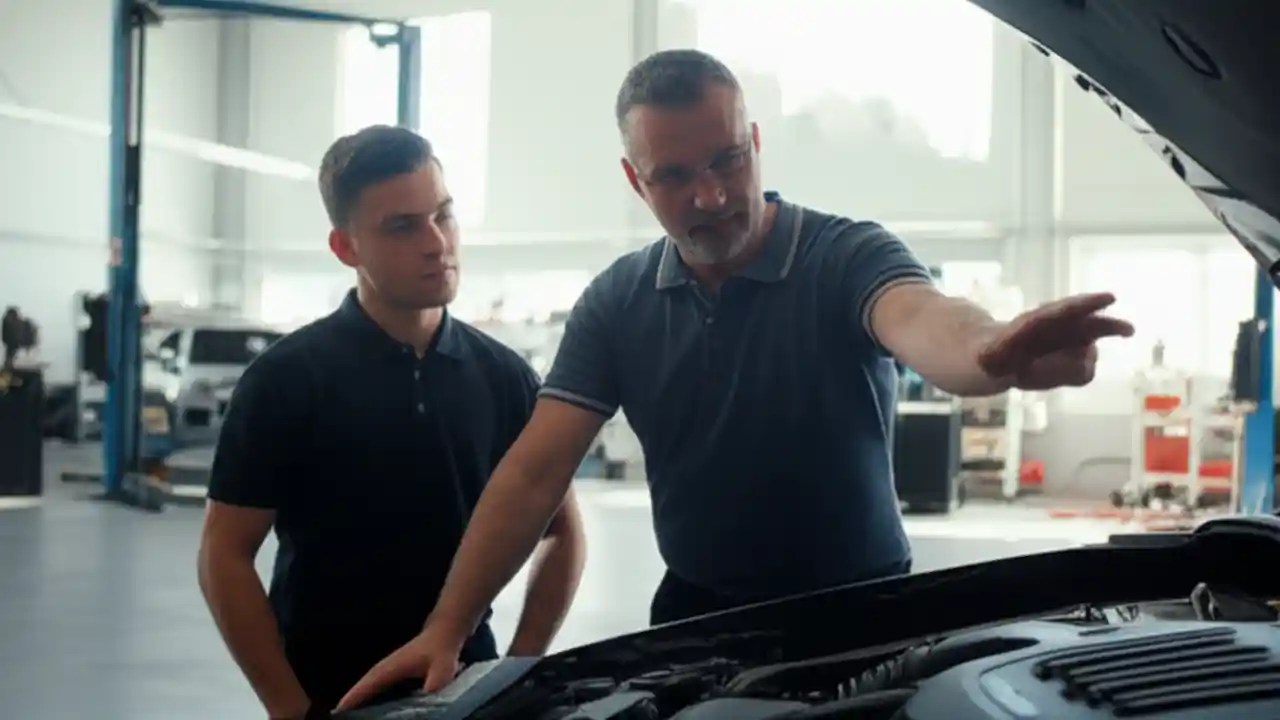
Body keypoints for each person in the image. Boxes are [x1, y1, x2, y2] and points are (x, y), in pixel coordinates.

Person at [333, 50, 1135, 711]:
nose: (710, 195)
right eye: (674, 176)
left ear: (754, 141)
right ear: (633, 178)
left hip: (867, 613)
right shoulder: (616, 302)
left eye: (727, 160)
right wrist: (450, 625)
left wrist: (997, 352)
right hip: (698, 616)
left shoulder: (844, 256)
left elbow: (931, 323)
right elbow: (534, 472)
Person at [196, 125, 586, 719]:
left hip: (466, 683)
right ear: (346, 247)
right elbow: (225, 552)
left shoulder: (504, 377)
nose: (437, 243)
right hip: (329, 691)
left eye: (444, 215)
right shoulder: (285, 381)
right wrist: (288, 708)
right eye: (403, 227)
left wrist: (519, 668)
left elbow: (563, 529)